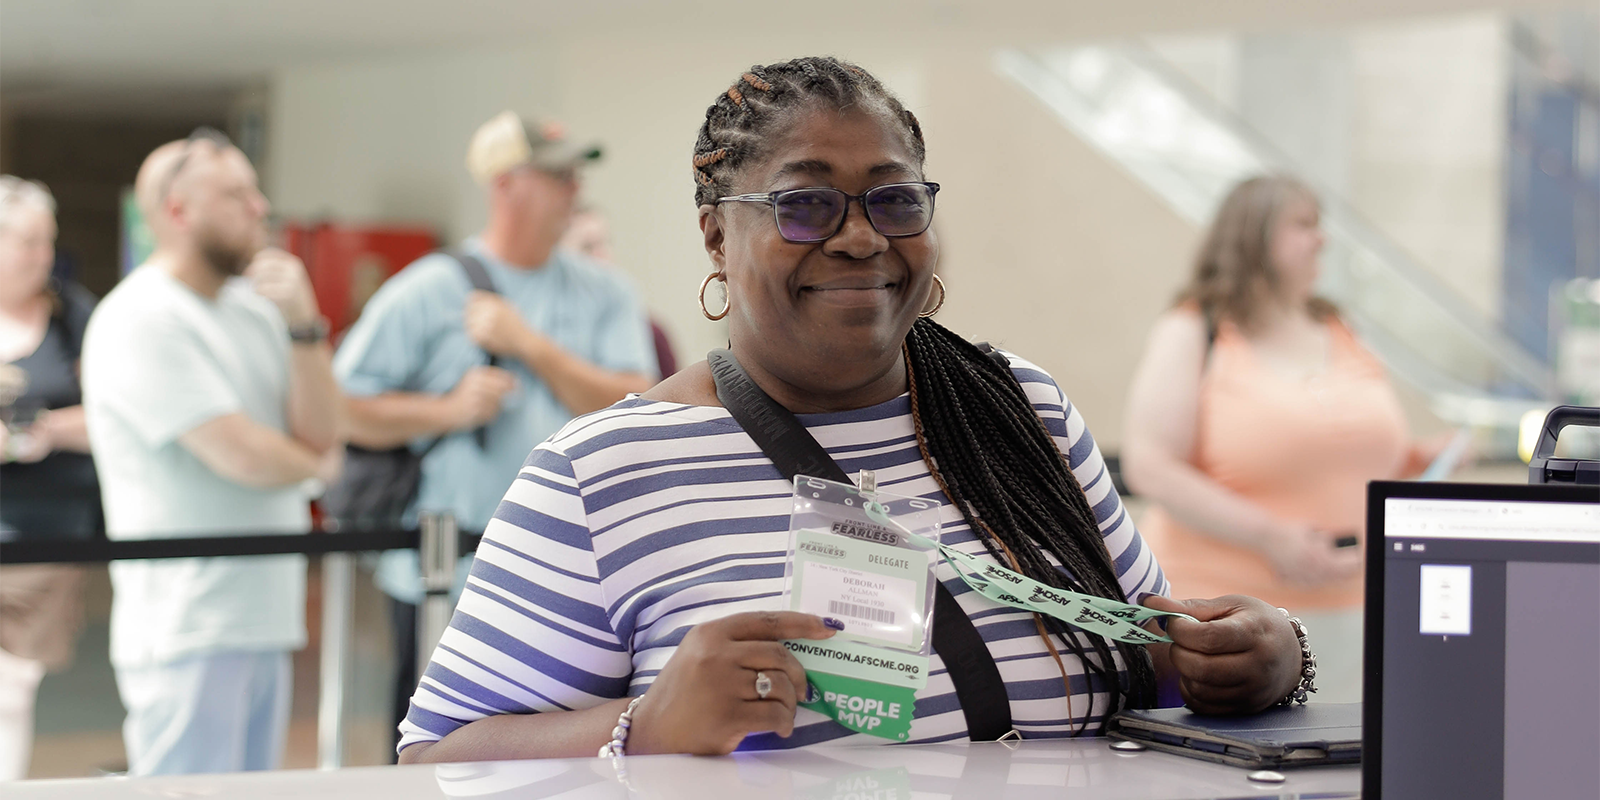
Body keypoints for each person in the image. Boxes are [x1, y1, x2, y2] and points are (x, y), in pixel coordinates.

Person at [396, 57, 1305, 764]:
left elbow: (1145, 649)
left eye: (894, 199)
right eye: (805, 205)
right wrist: (646, 723)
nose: (861, 235)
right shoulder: (604, 471)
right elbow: (436, 758)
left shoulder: (1021, 410)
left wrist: (1259, 658)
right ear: (716, 232)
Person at [333, 111, 657, 751]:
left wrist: (527, 345)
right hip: (443, 576)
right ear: (504, 185)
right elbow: (343, 409)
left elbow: (636, 402)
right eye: (556, 176)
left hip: (573, 578)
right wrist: (446, 411)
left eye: (575, 176)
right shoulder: (429, 289)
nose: (574, 190)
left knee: (560, 750)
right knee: (435, 751)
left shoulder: (607, 293)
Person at [1121, 175, 1447, 703]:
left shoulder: (1337, 326)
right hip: (1229, 627)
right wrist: (1271, 537)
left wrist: (1416, 458)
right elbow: (1151, 465)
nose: (1322, 240)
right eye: (1303, 225)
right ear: (1254, 234)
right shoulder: (1194, 329)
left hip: (1356, 609)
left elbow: (1331, 451)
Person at [80, 129, 342, 775]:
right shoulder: (140, 318)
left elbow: (323, 430)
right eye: (235, 195)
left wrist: (305, 325)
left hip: (264, 614)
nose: (259, 208)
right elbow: (244, 455)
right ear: (177, 211)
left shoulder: (257, 312)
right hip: (188, 624)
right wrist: (319, 466)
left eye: (256, 191)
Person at [0, 177, 96, 780]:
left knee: (14, 684)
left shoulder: (75, 315)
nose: (42, 257)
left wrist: (43, 433)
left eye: (48, 243)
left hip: (46, 532)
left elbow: (116, 412)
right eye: (29, 242)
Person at [560, 206, 679, 377]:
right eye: (587, 247)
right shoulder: (544, 332)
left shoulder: (651, 333)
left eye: (606, 242)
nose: (603, 254)